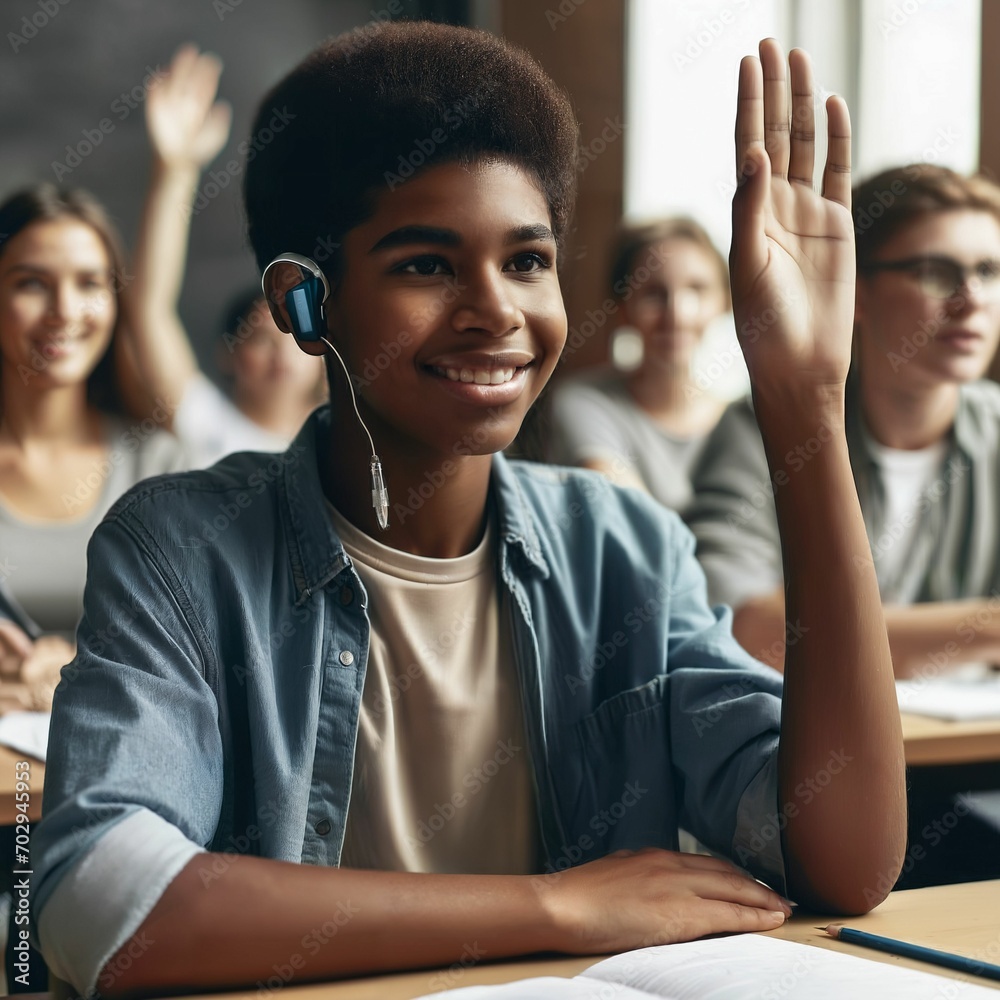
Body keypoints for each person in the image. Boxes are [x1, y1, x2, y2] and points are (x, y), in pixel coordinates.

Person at [32, 26, 905, 997]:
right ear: (303, 302)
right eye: (425, 265)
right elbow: (94, 904)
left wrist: (804, 399)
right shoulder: (182, 549)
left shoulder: (619, 547)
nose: (495, 309)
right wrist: (554, 905)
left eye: (527, 261)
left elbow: (844, 857)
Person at [686, 163, 1000, 885]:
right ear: (853, 288)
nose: (972, 299)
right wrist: (987, 628)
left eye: (989, 269)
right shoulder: (761, 427)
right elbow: (750, 627)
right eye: (936, 270)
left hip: (971, 771)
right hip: (810, 785)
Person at [0, 185, 185, 712]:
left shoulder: (161, 465)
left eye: (88, 283)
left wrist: (72, 665)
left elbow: (197, 650)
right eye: (32, 283)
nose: (63, 310)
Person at [128, 44, 326, 467]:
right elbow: (149, 308)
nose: (279, 353)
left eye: (290, 333)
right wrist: (174, 171)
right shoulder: (204, 424)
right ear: (228, 354)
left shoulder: (347, 435)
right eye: (257, 338)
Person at [545, 217, 731, 513]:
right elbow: (632, 521)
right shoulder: (582, 401)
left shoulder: (742, 423)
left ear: (725, 302)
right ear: (623, 309)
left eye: (697, 289)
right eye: (654, 293)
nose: (677, 314)